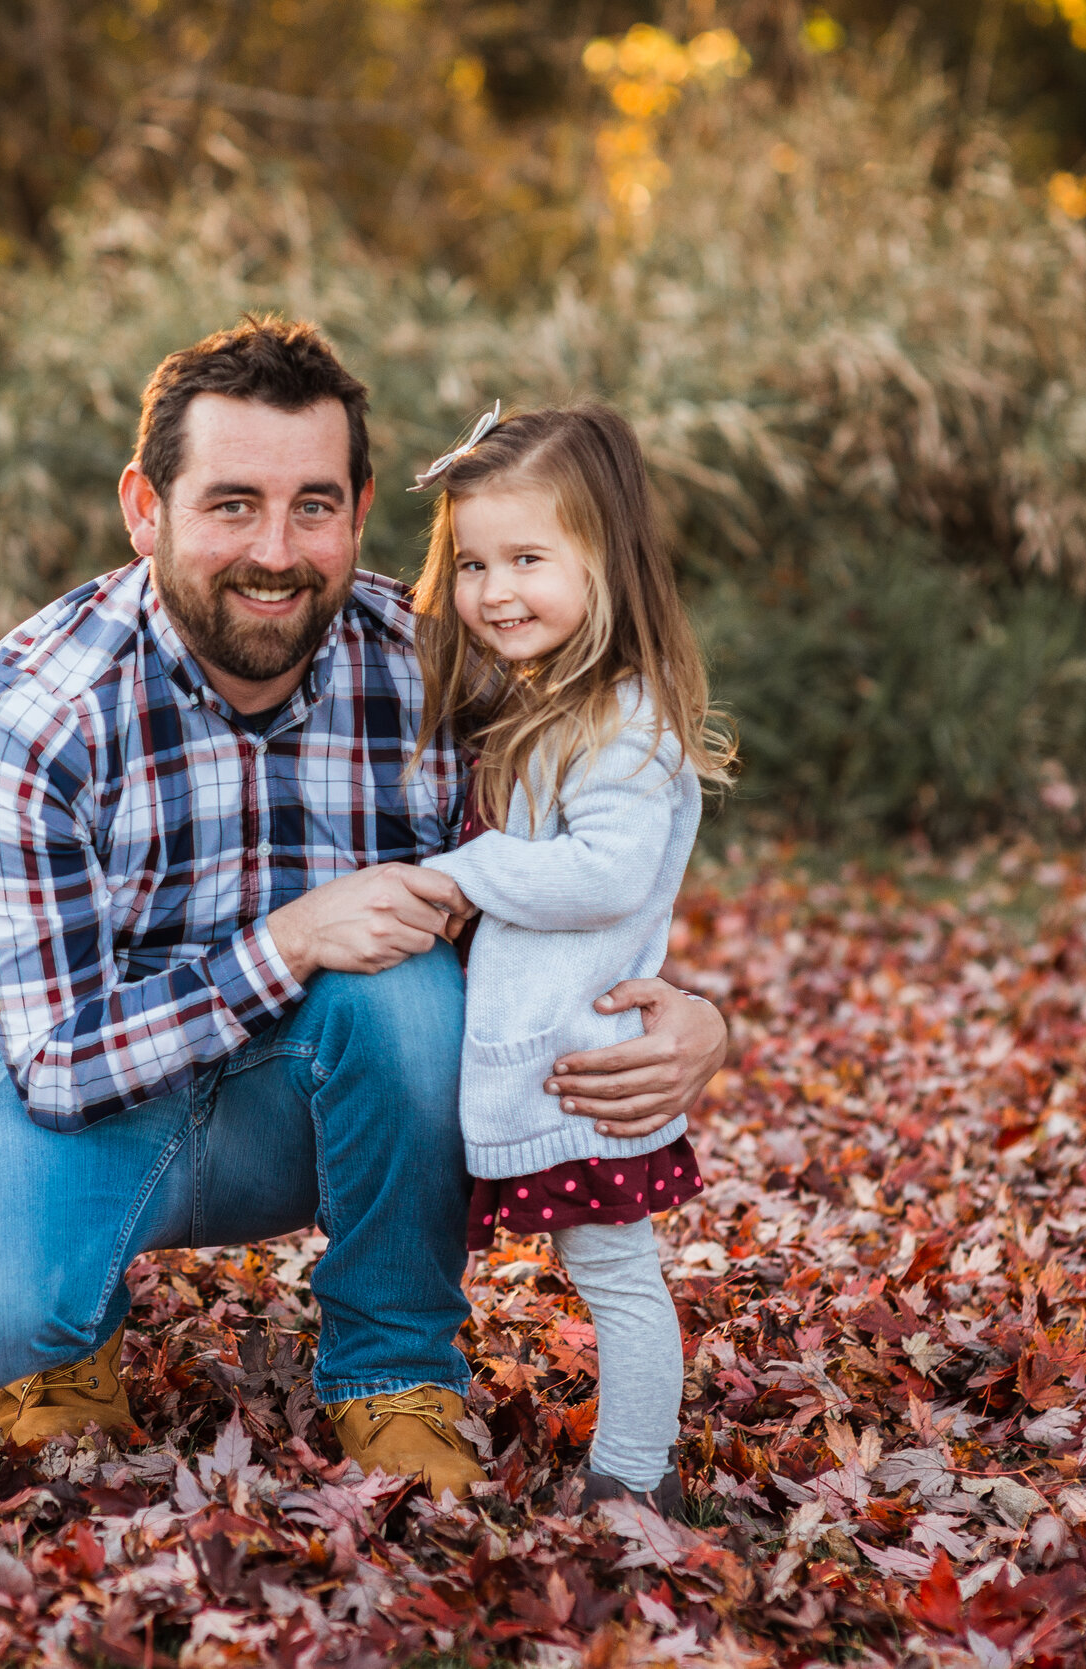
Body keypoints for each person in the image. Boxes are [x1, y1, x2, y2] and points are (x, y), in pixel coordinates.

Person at [0, 317, 729, 1499]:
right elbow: (61, 1064)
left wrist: (692, 1017)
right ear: (145, 507)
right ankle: (63, 1346)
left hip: (307, 1081)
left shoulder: (442, 668)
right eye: (231, 503)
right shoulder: (38, 707)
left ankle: (392, 1369)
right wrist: (284, 944)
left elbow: (584, 867)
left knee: (411, 994)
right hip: (56, 1079)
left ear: (361, 511)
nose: (274, 550)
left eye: (312, 507)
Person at [413, 402, 735, 1517]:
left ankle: (635, 1484)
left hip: (584, 1061)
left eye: (528, 559)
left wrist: (466, 874)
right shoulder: (540, 702)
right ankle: (408, 1399)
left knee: (614, 1275)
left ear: (608, 563)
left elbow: (602, 872)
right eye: (471, 562)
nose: (494, 589)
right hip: (532, 1045)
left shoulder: (627, 722)